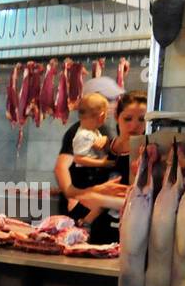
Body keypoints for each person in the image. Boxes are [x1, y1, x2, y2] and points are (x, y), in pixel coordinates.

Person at [55, 92, 131, 244]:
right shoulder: (79, 133)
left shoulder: (101, 131)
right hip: (81, 205)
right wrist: (77, 195)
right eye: (127, 119)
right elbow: (61, 168)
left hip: (103, 208)